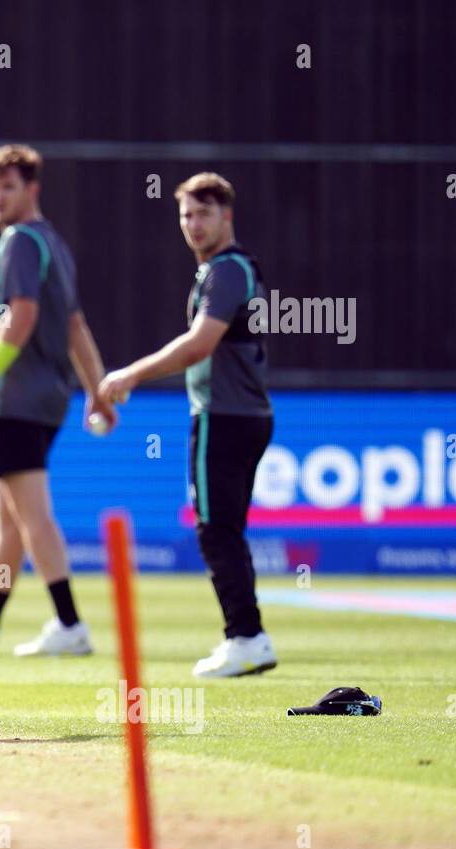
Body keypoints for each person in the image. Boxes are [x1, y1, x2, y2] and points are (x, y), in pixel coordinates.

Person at [99, 172, 275, 678]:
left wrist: (130, 373)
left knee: (214, 530)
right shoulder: (230, 270)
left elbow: (199, 344)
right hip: (244, 414)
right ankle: (247, 635)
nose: (193, 224)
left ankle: (245, 636)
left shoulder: (226, 270)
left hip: (224, 416)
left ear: (227, 216)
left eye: (203, 213)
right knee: (226, 530)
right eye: (186, 215)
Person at [0, 144, 117, 657]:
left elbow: (20, 318)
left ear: (32, 190)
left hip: (16, 398)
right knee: (7, 515)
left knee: (31, 514)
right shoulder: (54, 244)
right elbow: (75, 326)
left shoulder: (20, 242)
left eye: (8, 186)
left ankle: (70, 624)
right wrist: (98, 390)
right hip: (47, 398)